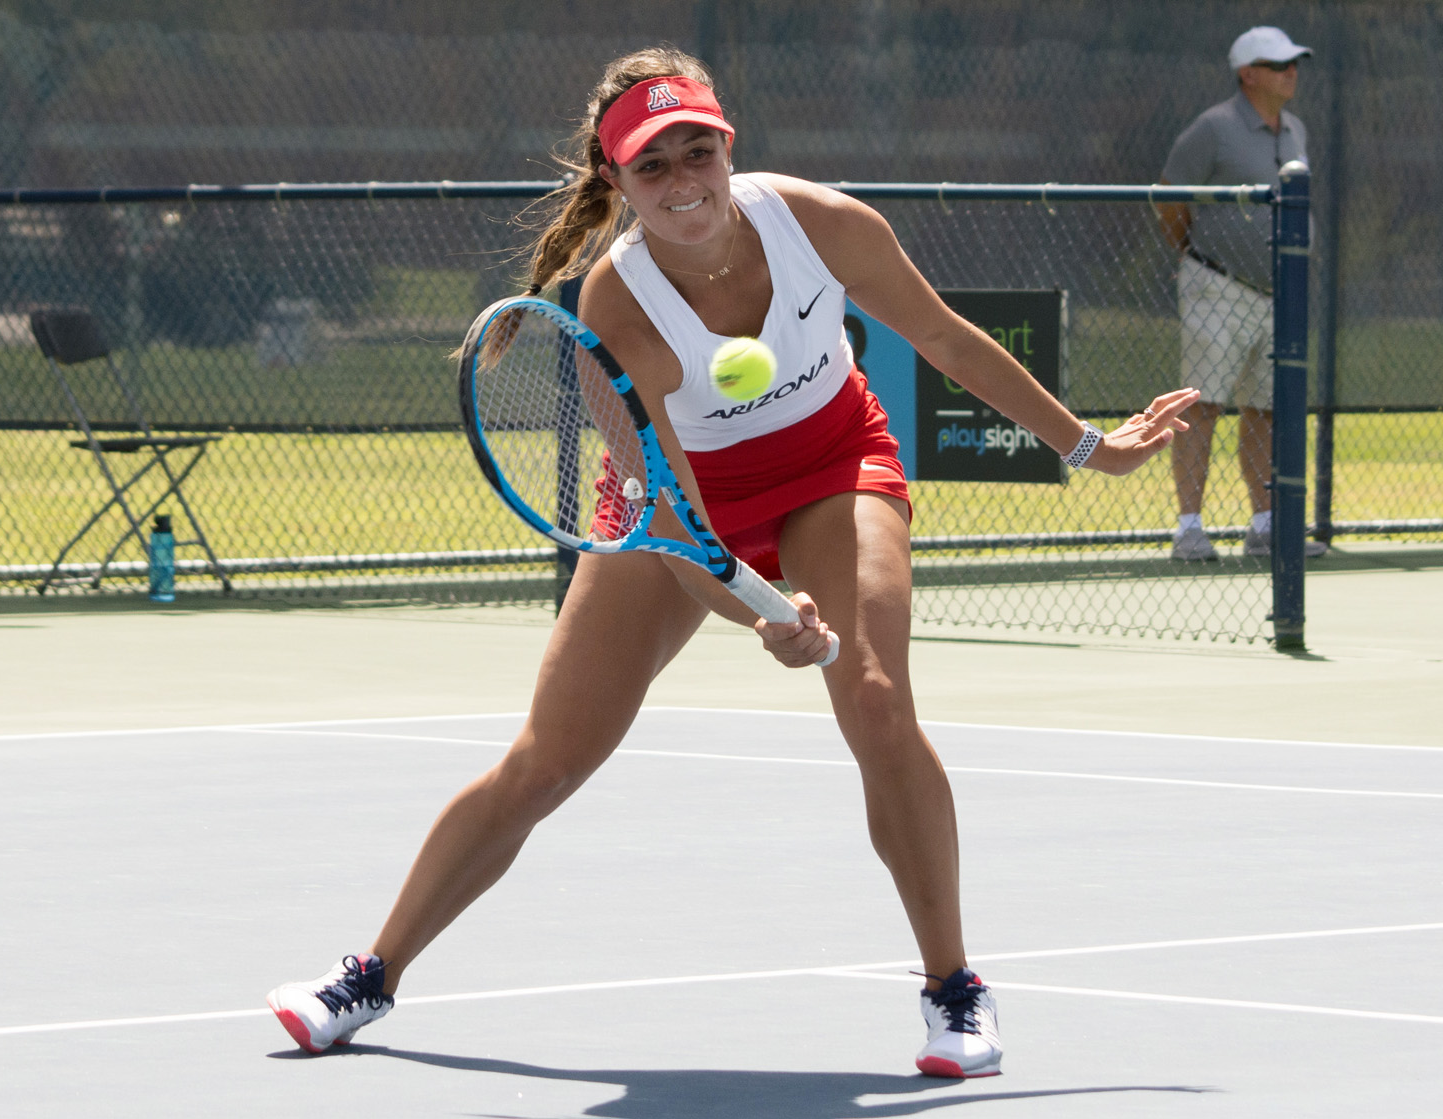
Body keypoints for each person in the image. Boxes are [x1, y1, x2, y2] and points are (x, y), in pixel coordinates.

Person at [266, 46, 1198, 1080]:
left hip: (834, 463)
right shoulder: (614, 309)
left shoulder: (821, 223)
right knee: (548, 758)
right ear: (616, 179)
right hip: (680, 501)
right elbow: (676, 517)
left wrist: (1092, 446)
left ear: (728, 147)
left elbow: (944, 340)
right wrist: (762, 612)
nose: (682, 181)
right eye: (652, 164)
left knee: (875, 697)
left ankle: (954, 990)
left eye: (696, 152)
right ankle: (370, 975)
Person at [1157, 26, 1327, 562]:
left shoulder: (1295, 129)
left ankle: (1265, 527)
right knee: (1202, 405)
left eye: (1294, 63)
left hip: (1280, 296)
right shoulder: (1213, 128)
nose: (1291, 72)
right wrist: (1194, 256)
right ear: (1248, 74)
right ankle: (1189, 529)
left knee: (1267, 409)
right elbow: (1169, 198)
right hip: (1217, 287)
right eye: (1278, 65)